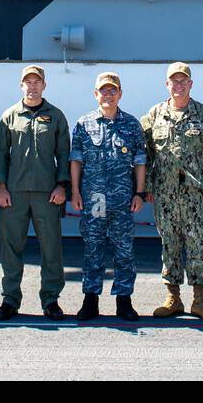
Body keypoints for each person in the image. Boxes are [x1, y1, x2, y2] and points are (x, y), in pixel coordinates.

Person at [141, 62, 203, 320]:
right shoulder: (154, 115)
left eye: (183, 81)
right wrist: (147, 187)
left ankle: (200, 300)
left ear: (191, 84)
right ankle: (173, 297)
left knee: (198, 245)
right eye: (173, 81)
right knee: (170, 245)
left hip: (196, 194)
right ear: (167, 84)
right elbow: (145, 154)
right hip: (164, 194)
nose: (178, 85)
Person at [0, 65, 71, 320]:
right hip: (13, 193)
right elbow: (1, 156)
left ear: (44, 86)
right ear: (21, 85)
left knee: (51, 248)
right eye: (28, 82)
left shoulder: (56, 116)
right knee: (11, 248)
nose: (32, 86)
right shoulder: (9, 116)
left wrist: (62, 186)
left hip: (47, 194)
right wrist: (0, 188)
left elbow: (63, 155)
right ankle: (10, 299)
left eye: (37, 82)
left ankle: (50, 299)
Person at [70, 71, 147, 321]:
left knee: (124, 251)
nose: (108, 94)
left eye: (113, 90)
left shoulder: (132, 125)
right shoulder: (84, 124)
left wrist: (139, 193)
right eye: (103, 90)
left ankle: (124, 300)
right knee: (93, 249)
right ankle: (90, 300)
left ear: (120, 94)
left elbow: (140, 162)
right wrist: (74, 192)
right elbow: (76, 161)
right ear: (95, 94)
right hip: (95, 201)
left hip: (123, 199)